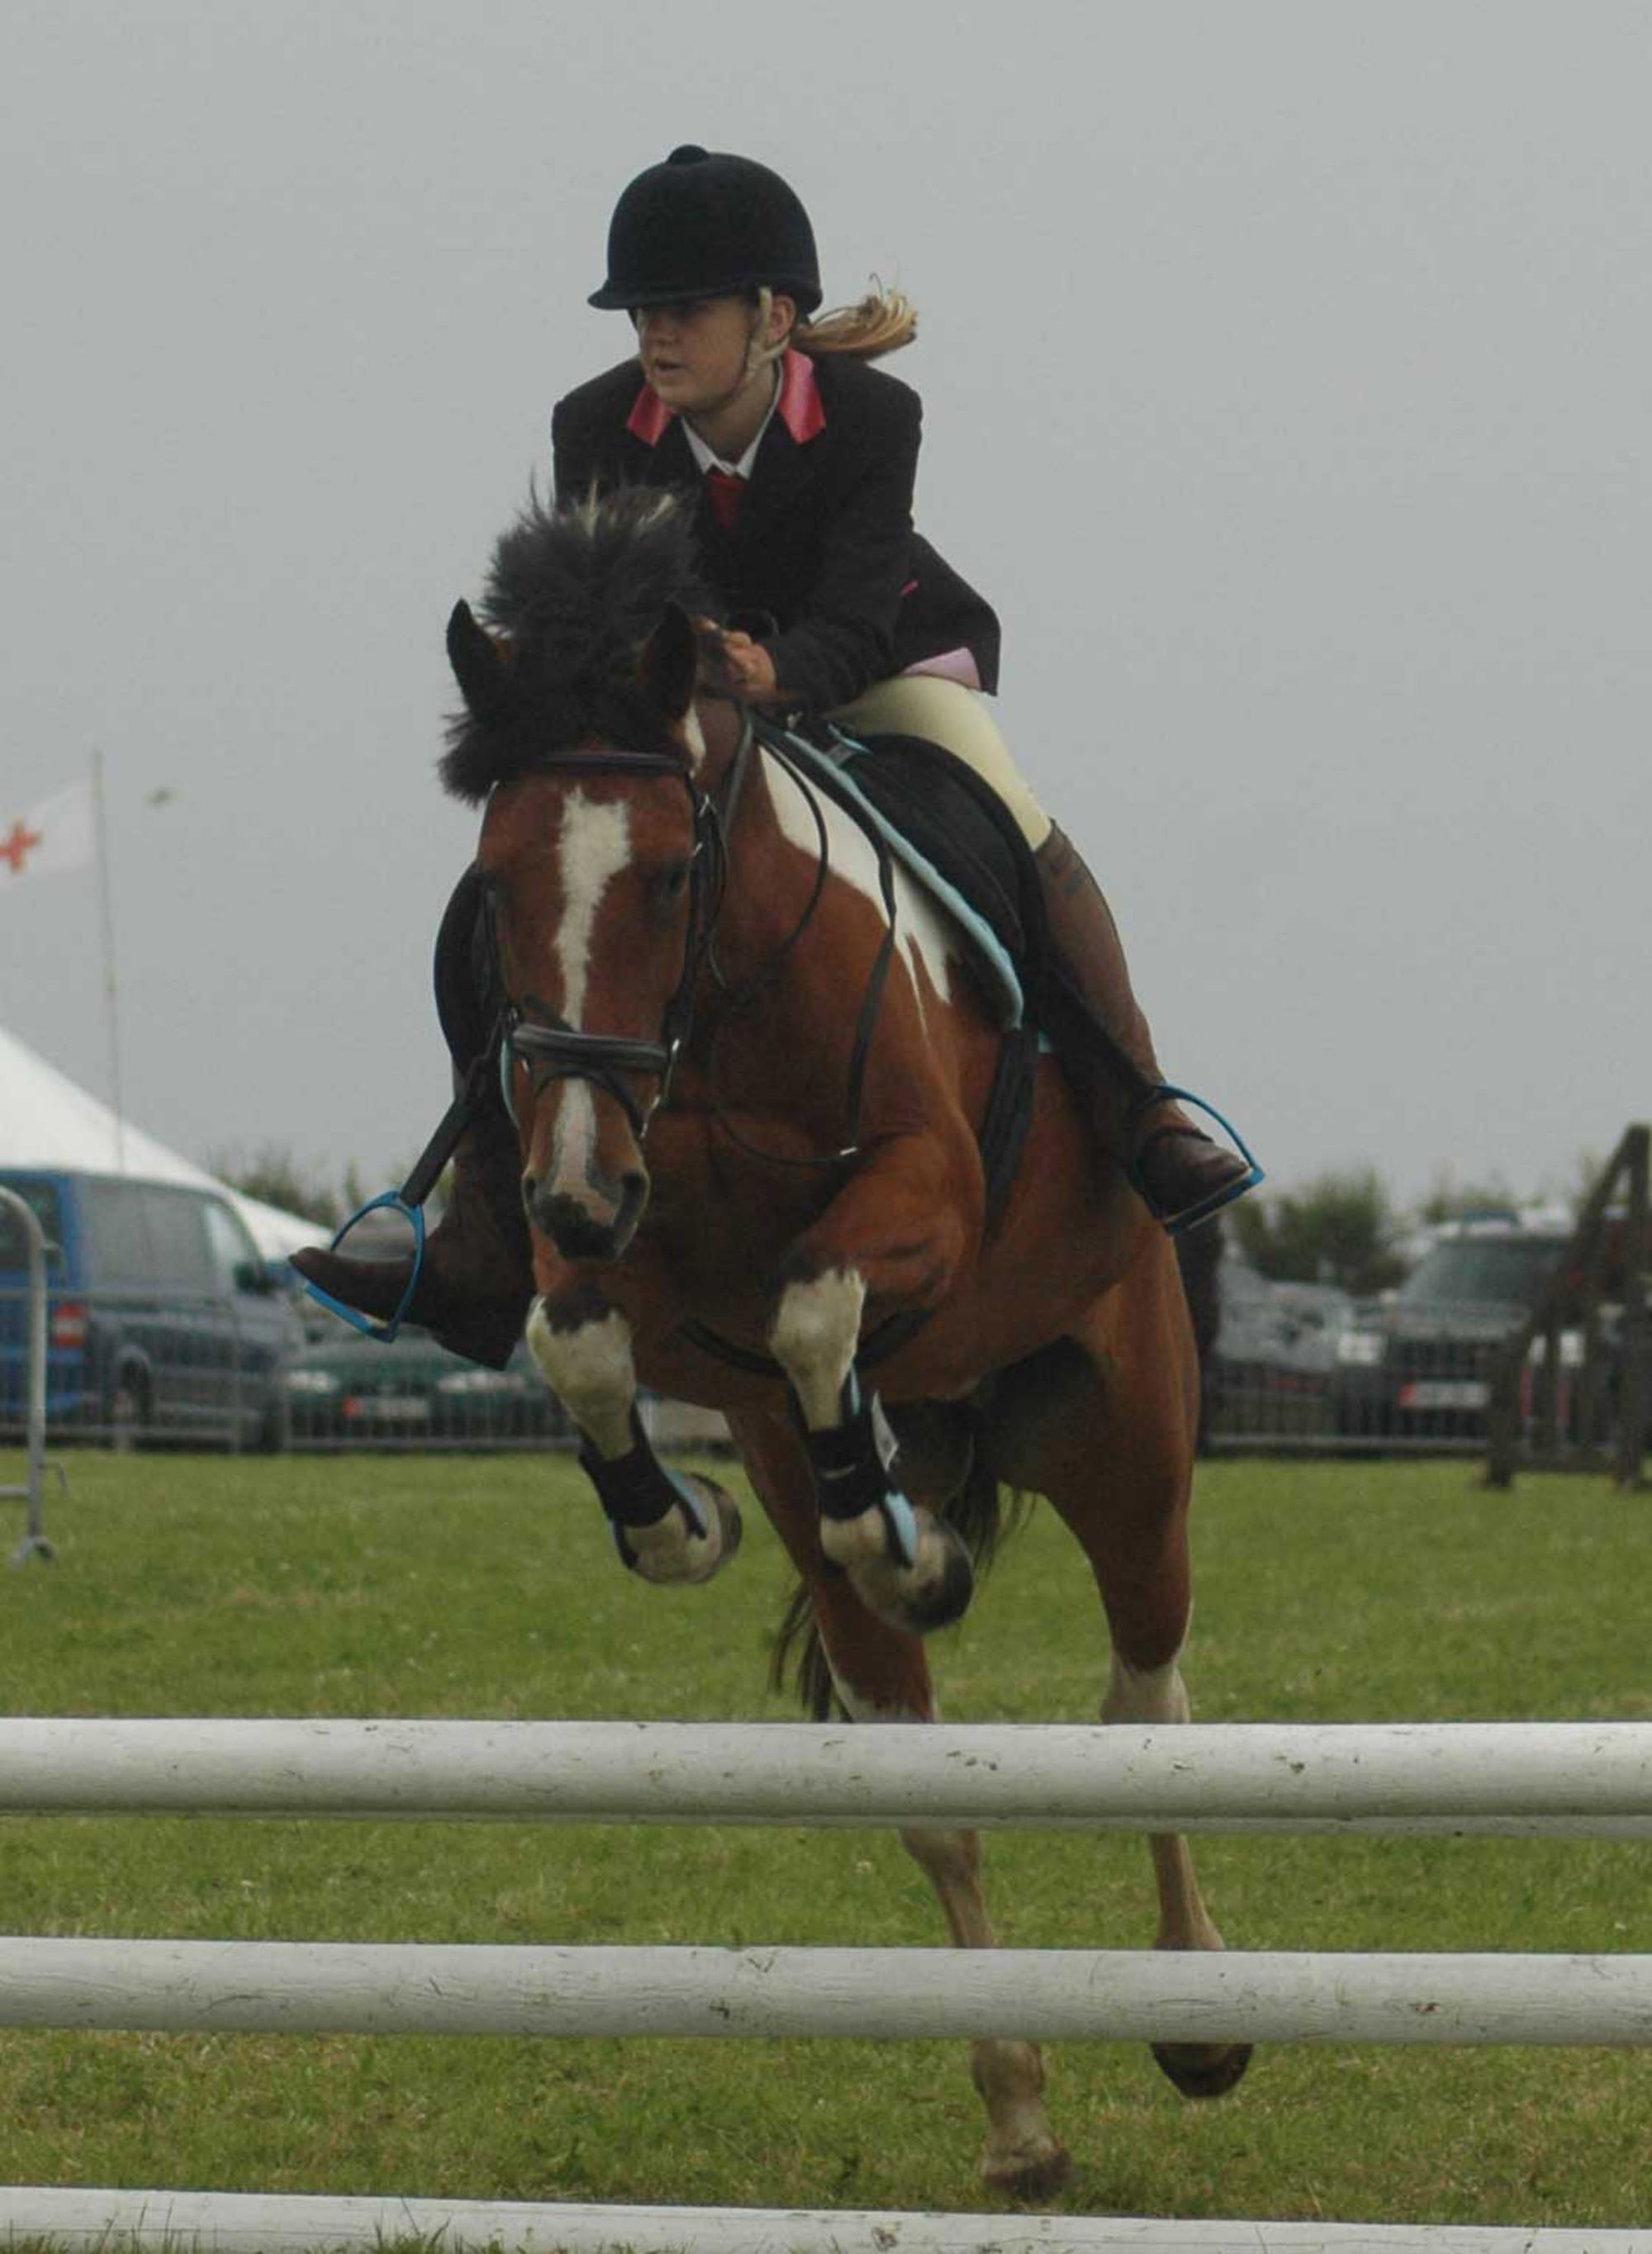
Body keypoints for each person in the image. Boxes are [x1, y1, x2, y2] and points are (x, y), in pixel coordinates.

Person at [294, 145, 1259, 1365]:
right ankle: (484, 1215)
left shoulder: (871, 415)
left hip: (881, 667)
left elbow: (859, 611)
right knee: (528, 884)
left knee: (1008, 810)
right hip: (693, 708)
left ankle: (1141, 1102)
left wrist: (774, 673)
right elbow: (598, 628)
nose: (656, 333)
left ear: (774, 320)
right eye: (643, 310)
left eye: (684, 308)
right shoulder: (596, 423)